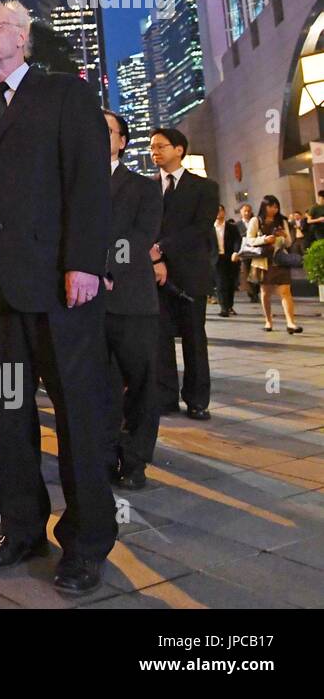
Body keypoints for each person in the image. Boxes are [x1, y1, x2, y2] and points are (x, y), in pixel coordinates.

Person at [0, 0, 116, 594]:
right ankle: (20, 529)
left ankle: (87, 542)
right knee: (7, 416)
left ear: (23, 36)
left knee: (78, 415)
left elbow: (89, 182)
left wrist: (84, 262)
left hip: (60, 286)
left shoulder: (65, 94)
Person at [102, 111, 163, 491]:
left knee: (141, 382)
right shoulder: (71, 185)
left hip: (131, 300)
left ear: (122, 141)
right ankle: (106, 454)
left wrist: (105, 270)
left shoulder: (143, 187)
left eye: (107, 130)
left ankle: (136, 459)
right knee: (100, 385)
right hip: (86, 303)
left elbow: (140, 237)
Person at [149, 128, 220, 421]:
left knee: (194, 338)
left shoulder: (205, 187)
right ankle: (165, 397)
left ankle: (197, 399)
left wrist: (160, 248)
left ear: (179, 149)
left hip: (190, 274)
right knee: (159, 338)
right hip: (154, 275)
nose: (155, 152)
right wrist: (153, 258)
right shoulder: (147, 188)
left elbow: (200, 228)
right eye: (152, 147)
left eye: (161, 146)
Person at [246, 195, 303, 333]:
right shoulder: (256, 220)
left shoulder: (281, 220)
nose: (274, 209)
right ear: (264, 206)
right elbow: (249, 240)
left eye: (276, 207)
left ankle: (290, 323)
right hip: (264, 261)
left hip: (280, 259)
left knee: (285, 291)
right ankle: (268, 320)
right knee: (265, 292)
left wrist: (284, 236)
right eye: (271, 206)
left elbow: (288, 243)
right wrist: (265, 239)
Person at [213, 204, 243, 317]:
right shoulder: (209, 228)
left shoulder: (232, 227)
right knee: (221, 283)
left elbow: (237, 240)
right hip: (216, 259)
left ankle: (229, 306)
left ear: (224, 212)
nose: (218, 213)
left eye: (220, 210)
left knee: (230, 283)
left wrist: (236, 252)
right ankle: (224, 308)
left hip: (230, 258)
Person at [237, 204, 261, 303]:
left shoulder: (255, 222)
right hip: (244, 252)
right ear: (241, 212)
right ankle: (252, 293)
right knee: (246, 272)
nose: (247, 213)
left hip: (255, 251)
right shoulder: (237, 225)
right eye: (245, 211)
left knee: (256, 272)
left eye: (248, 211)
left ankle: (256, 291)